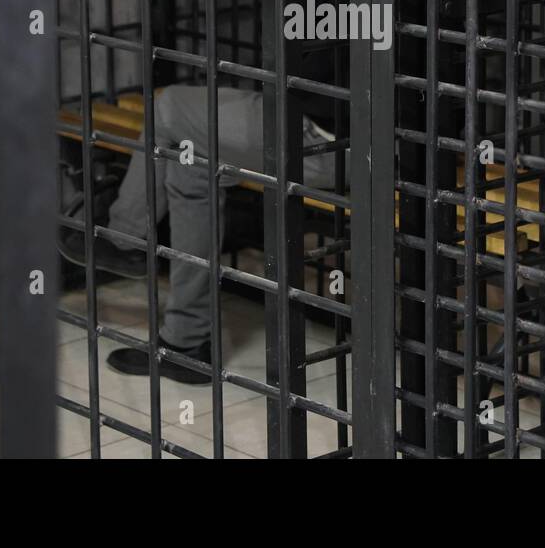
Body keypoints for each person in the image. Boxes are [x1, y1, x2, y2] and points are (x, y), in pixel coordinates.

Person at [57, 85, 339, 385]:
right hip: (336, 138)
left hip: (324, 142)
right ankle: (185, 344)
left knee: (168, 106)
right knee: (189, 162)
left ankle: (124, 238)